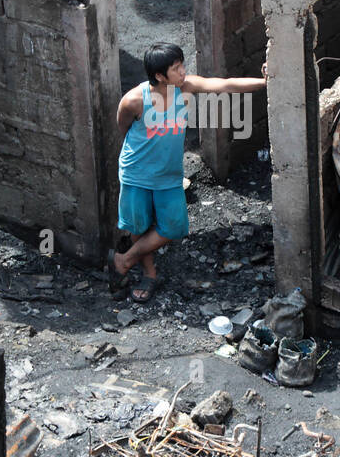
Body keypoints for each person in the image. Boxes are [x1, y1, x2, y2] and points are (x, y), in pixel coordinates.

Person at [108, 42, 267, 303]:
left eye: (182, 65)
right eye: (176, 68)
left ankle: (123, 260)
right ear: (159, 75)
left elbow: (226, 85)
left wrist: (264, 82)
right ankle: (149, 274)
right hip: (136, 174)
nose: (183, 71)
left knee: (174, 227)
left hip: (169, 175)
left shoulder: (186, 87)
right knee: (138, 226)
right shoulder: (134, 100)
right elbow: (123, 128)